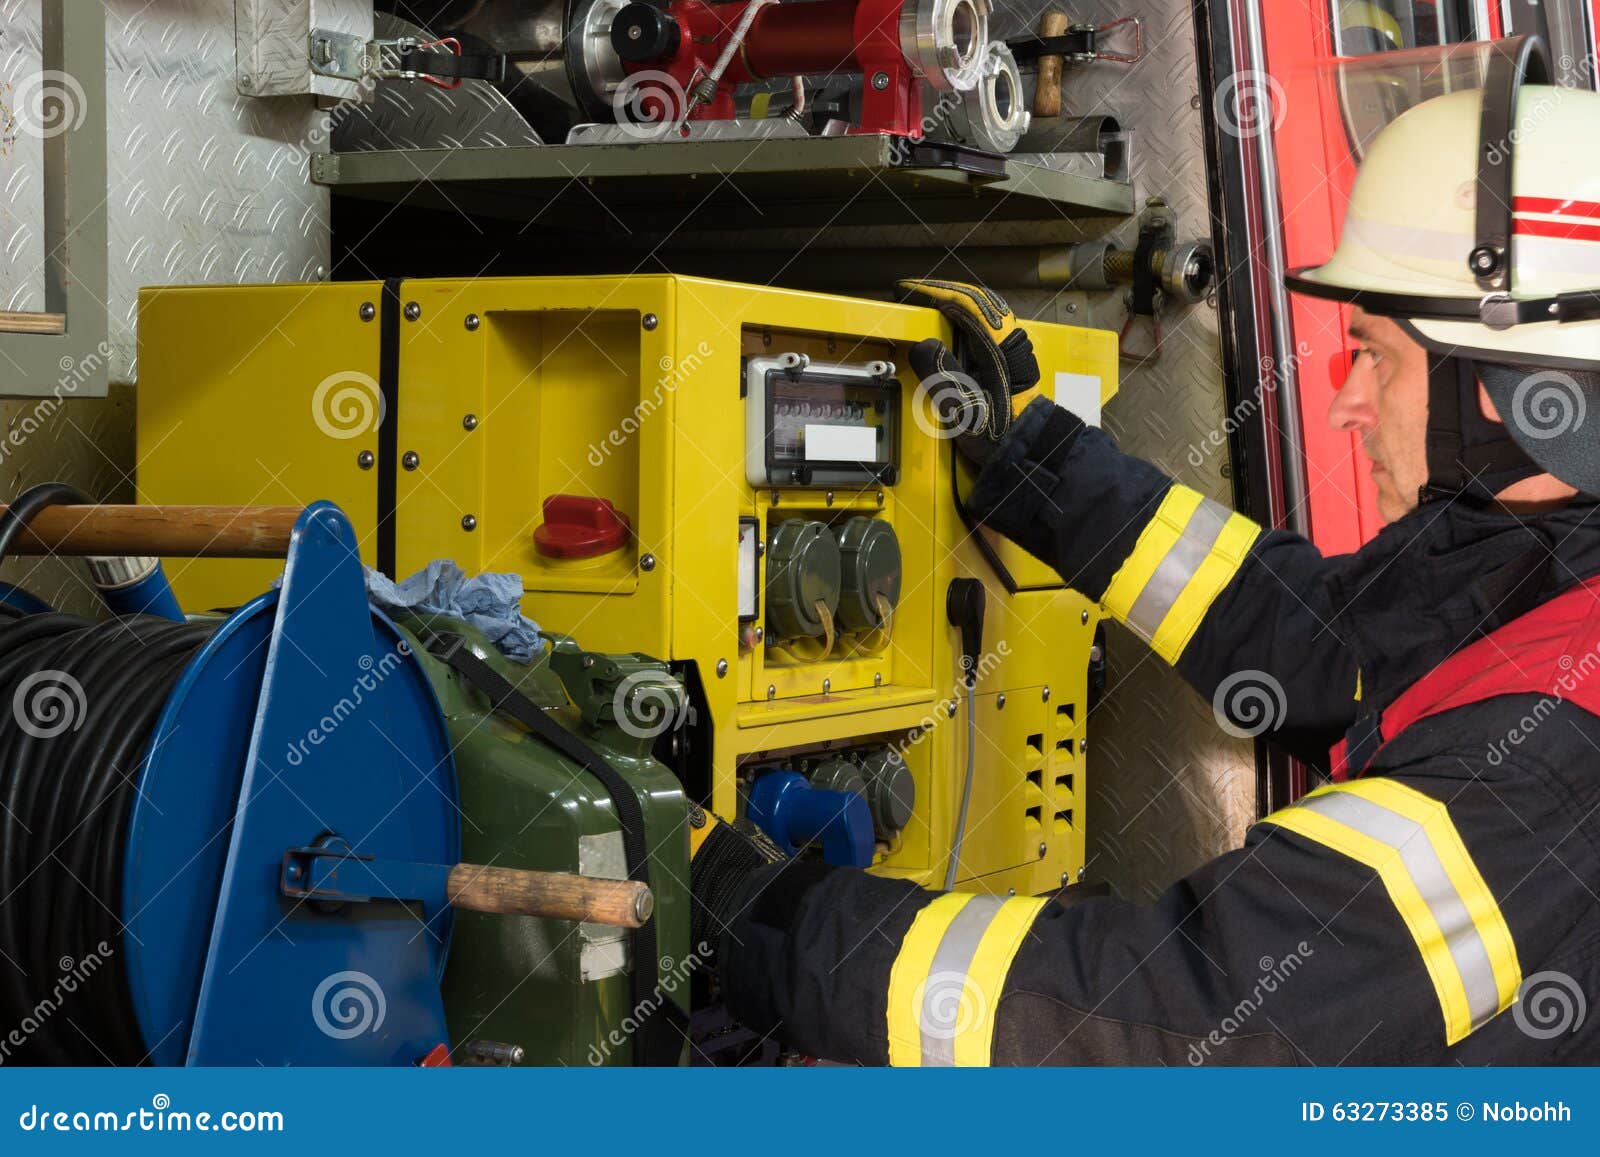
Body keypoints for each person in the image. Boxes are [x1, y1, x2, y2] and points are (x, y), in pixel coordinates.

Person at [689, 69, 1600, 1064]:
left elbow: (1183, 1020)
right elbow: (1303, 635)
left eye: (1375, 356)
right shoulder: (1536, 581)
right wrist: (1032, 458)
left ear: (1508, 390)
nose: (1345, 406)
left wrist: (756, 916)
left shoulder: (1538, 768)